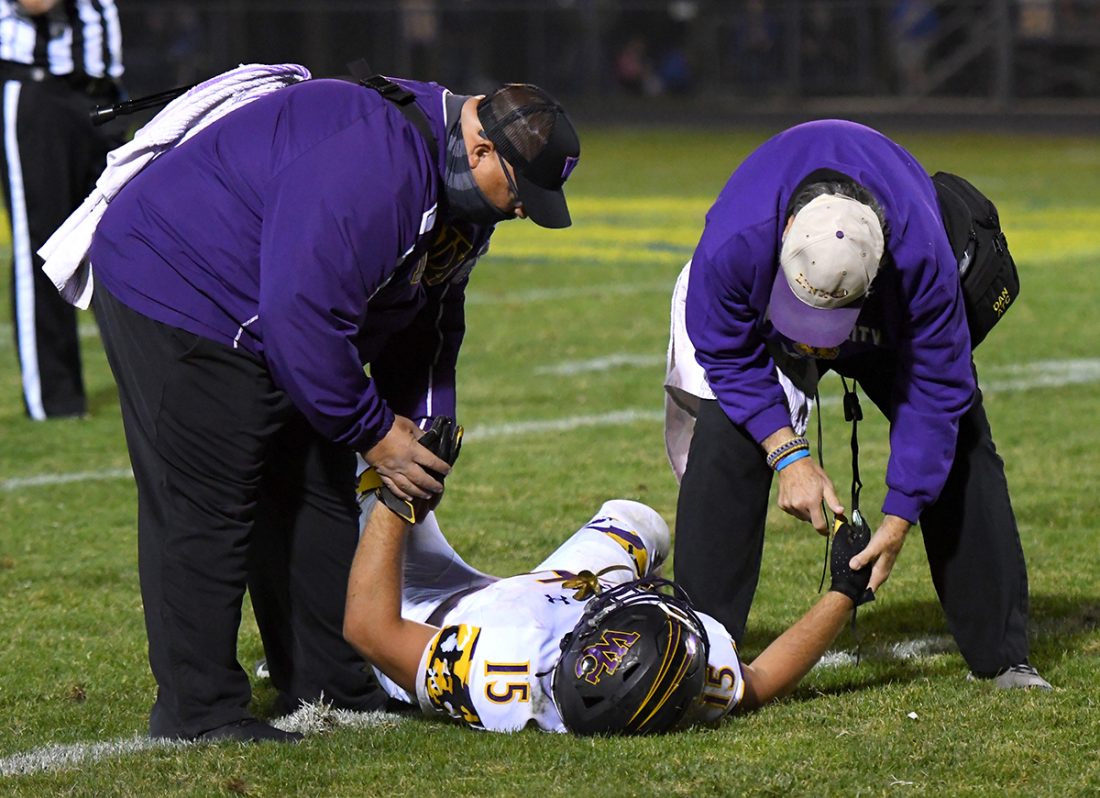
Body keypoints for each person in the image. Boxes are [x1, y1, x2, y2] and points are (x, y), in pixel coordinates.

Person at [42, 64, 581, 741]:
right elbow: (302, 318)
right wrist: (374, 431)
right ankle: (197, 711)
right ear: (479, 149)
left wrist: (424, 426)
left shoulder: (464, 197)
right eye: (521, 189)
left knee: (316, 491)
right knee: (213, 498)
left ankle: (330, 681)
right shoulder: (378, 164)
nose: (523, 208)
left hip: (264, 299)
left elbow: (432, 320)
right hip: (182, 282)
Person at [666, 118, 1050, 691]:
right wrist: (786, 452)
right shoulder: (738, 239)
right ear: (786, 232)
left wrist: (899, 517)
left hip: (889, 314)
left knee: (964, 445)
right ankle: (696, 650)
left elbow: (937, 393)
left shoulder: (922, 256)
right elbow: (724, 352)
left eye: (830, 326)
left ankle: (1003, 657)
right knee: (726, 439)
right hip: (773, 294)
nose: (818, 344)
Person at [344, 482, 875, 734]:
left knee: (370, 455)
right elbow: (760, 679)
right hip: (545, 598)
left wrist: (398, 496)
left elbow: (369, 629)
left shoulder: (495, 672)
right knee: (636, 520)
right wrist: (844, 590)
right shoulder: (677, 676)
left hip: (431, 607)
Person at [0, 0, 124, 419]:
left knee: (132, 237)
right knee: (44, 245)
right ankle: (56, 401)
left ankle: (156, 378)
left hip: (102, 96)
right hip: (40, 91)